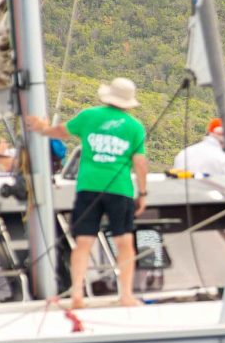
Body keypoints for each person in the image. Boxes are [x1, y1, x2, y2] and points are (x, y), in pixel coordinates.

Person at [28, 77, 147, 309]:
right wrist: (143, 193)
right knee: (124, 242)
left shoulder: (88, 116)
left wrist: (41, 129)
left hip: (88, 188)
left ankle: (77, 296)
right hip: (119, 189)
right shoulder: (134, 127)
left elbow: (60, 132)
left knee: (83, 242)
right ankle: (126, 296)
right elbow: (140, 163)